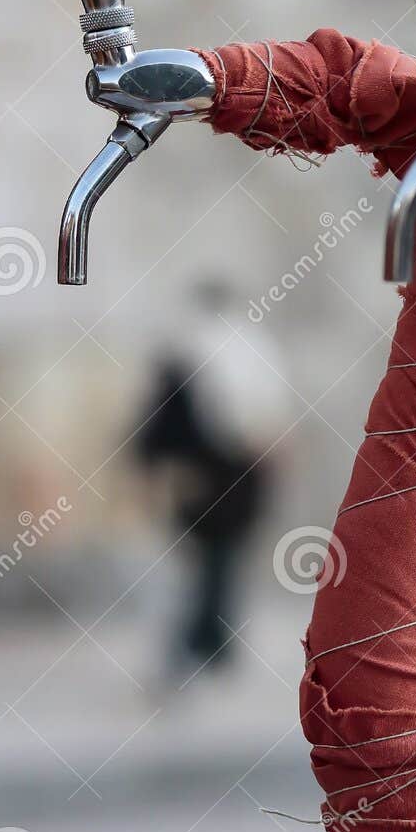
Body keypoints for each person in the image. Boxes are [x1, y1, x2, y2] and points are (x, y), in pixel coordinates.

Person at [134, 281, 290, 680]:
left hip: (207, 471)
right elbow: (263, 414)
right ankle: (207, 641)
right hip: (233, 469)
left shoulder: (189, 350)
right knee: (218, 560)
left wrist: (159, 466)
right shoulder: (244, 347)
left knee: (205, 562)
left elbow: (157, 426)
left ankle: (204, 641)